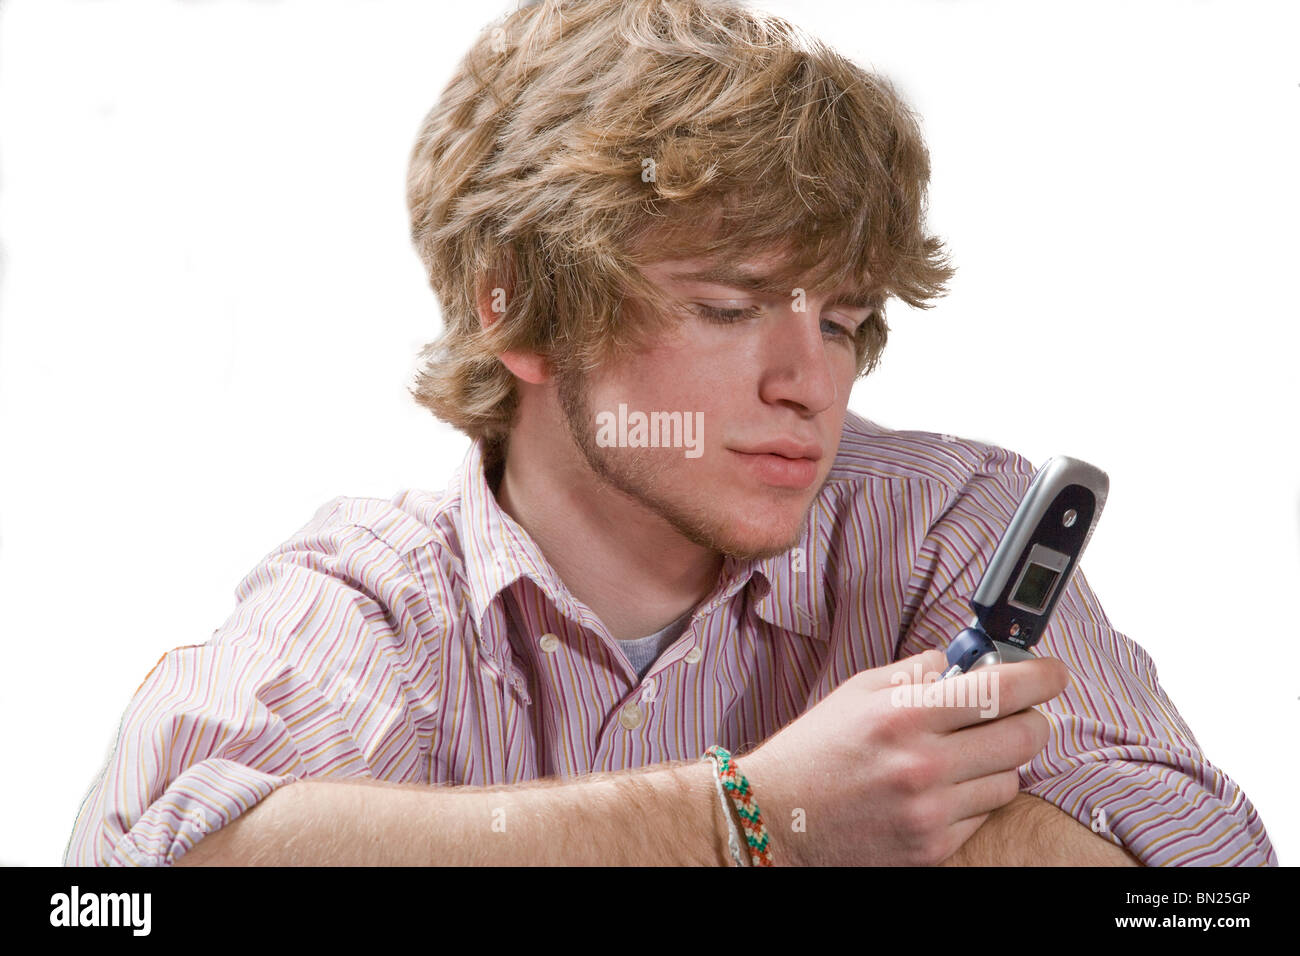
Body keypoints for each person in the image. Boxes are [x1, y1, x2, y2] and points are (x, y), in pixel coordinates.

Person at [65, 0, 1275, 867]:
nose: (814, 381)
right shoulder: (375, 595)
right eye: (729, 307)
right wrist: (743, 818)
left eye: (845, 318)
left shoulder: (945, 528)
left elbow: (1204, 884)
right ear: (519, 306)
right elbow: (131, 875)